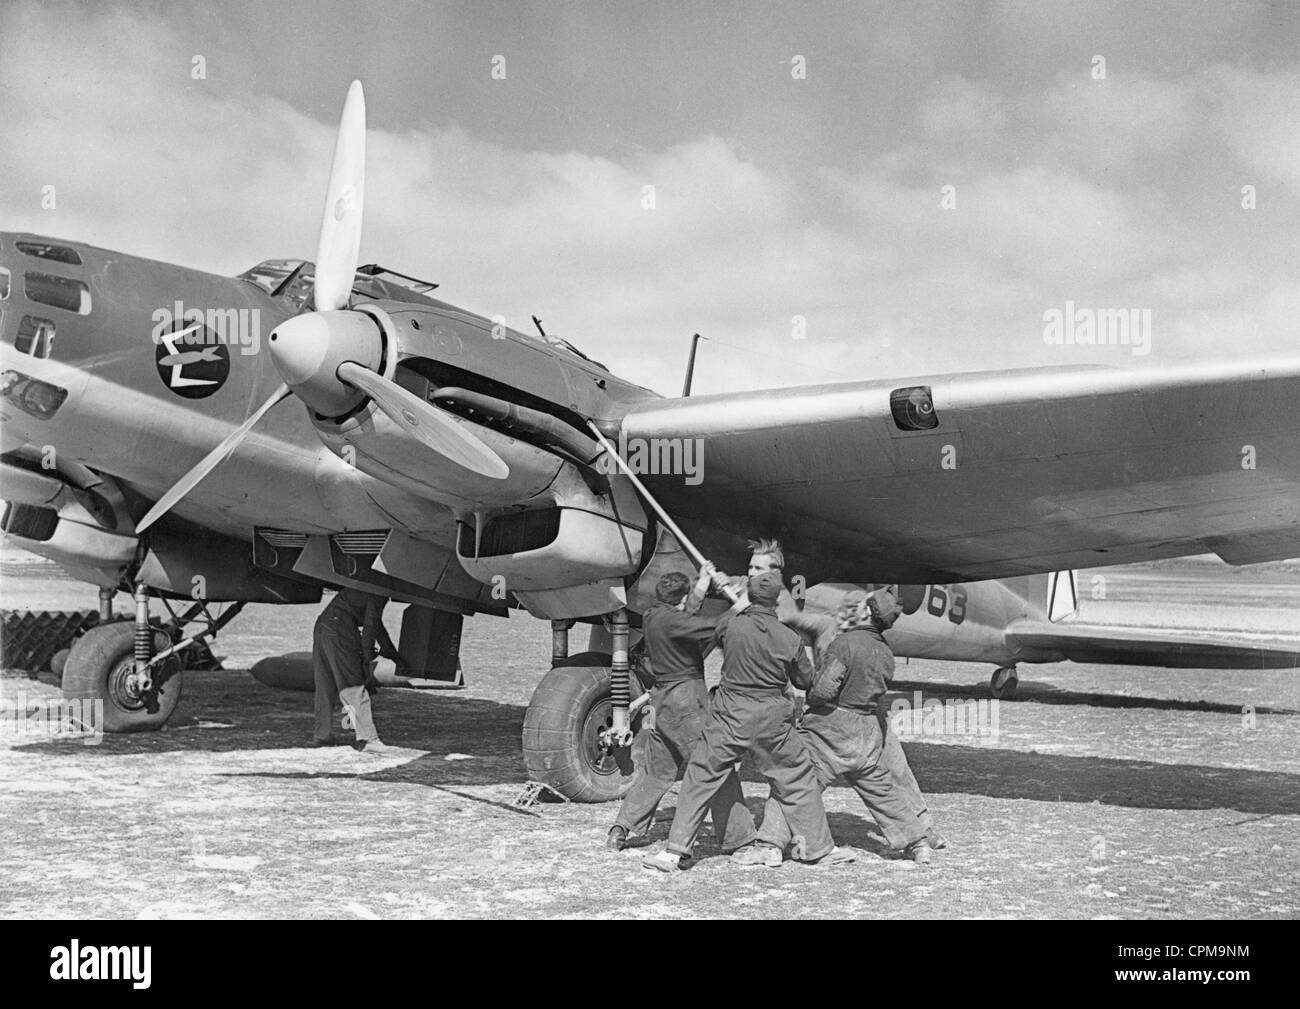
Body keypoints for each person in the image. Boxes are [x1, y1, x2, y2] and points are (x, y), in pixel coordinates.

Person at [643, 569, 852, 871]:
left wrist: (719, 597)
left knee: (701, 775)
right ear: (777, 600)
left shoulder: (731, 626)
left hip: (731, 714)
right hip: (773, 718)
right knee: (797, 777)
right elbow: (805, 680)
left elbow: (707, 633)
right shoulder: (789, 637)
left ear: (749, 596)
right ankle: (820, 849)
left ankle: (675, 851)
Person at [747, 587, 933, 865]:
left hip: (832, 731)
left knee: (795, 780)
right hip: (867, 732)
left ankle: (771, 844)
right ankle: (917, 842)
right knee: (881, 790)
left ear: (869, 612)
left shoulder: (844, 644)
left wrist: (811, 700)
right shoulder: (885, 652)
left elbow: (824, 689)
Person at [606, 568, 758, 856]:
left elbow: (684, 615)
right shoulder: (675, 621)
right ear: (682, 598)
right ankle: (740, 839)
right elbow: (712, 627)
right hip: (687, 701)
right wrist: (738, 606)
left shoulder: (653, 615)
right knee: (715, 766)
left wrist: (700, 584)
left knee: (658, 773)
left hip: (661, 702)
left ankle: (621, 828)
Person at [313, 587, 400, 753]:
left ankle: (321, 734)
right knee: (352, 685)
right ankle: (369, 739)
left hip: (323, 625)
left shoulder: (369, 581)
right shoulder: (381, 587)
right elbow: (370, 624)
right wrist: (367, 656)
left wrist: (388, 648)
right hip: (340, 628)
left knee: (325, 684)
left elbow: (374, 622)